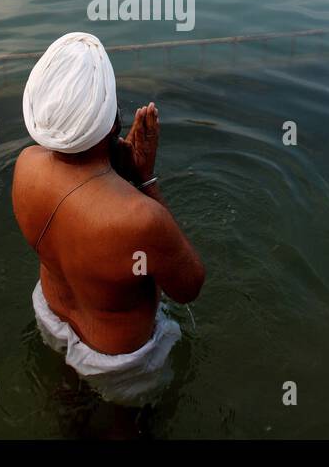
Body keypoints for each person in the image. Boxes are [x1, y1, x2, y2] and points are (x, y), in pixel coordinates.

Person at [13, 32, 204, 406]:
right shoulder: (140, 219)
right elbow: (190, 286)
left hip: (51, 317)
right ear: (111, 119)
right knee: (125, 428)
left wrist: (115, 159)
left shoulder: (26, 166)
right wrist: (144, 177)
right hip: (117, 361)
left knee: (69, 406)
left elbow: (79, 191)